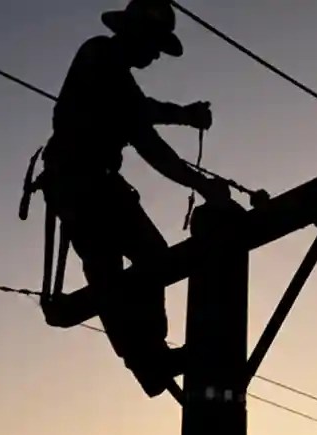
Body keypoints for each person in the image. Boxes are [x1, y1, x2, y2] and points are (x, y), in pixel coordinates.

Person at [39, 0, 231, 400]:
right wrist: (186, 118)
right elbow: (140, 120)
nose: (155, 56)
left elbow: (148, 139)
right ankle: (146, 362)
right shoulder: (98, 54)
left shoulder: (116, 75)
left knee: (154, 256)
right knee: (108, 273)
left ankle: (153, 352)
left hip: (102, 184)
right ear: (134, 33)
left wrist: (199, 180)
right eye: (154, 45)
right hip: (76, 184)